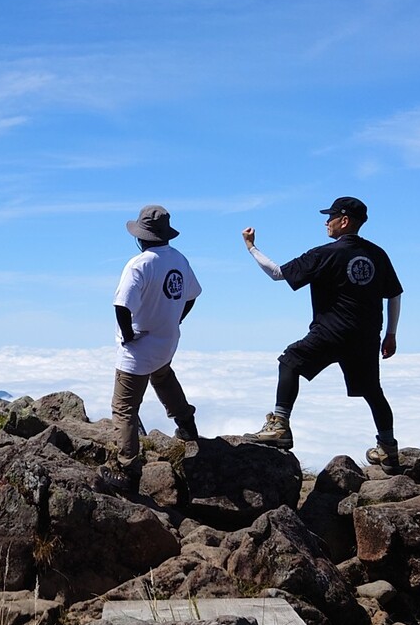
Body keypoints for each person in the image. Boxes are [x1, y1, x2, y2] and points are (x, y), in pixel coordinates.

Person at [240, 195, 404, 471]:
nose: (326, 223)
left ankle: (280, 426)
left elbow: (279, 273)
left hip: (330, 332)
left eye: (330, 217)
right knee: (373, 392)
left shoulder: (325, 254)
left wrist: (251, 247)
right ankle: (388, 449)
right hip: (365, 337)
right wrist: (391, 334)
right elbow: (395, 294)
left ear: (344, 220)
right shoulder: (378, 254)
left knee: (289, 361)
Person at [99, 204, 202, 494]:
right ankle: (186, 423)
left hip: (138, 348)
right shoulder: (179, 260)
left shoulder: (139, 264)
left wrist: (129, 335)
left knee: (124, 407)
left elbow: (122, 306)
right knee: (163, 376)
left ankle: (127, 469)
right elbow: (192, 296)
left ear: (141, 236)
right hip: (167, 341)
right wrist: (174, 319)